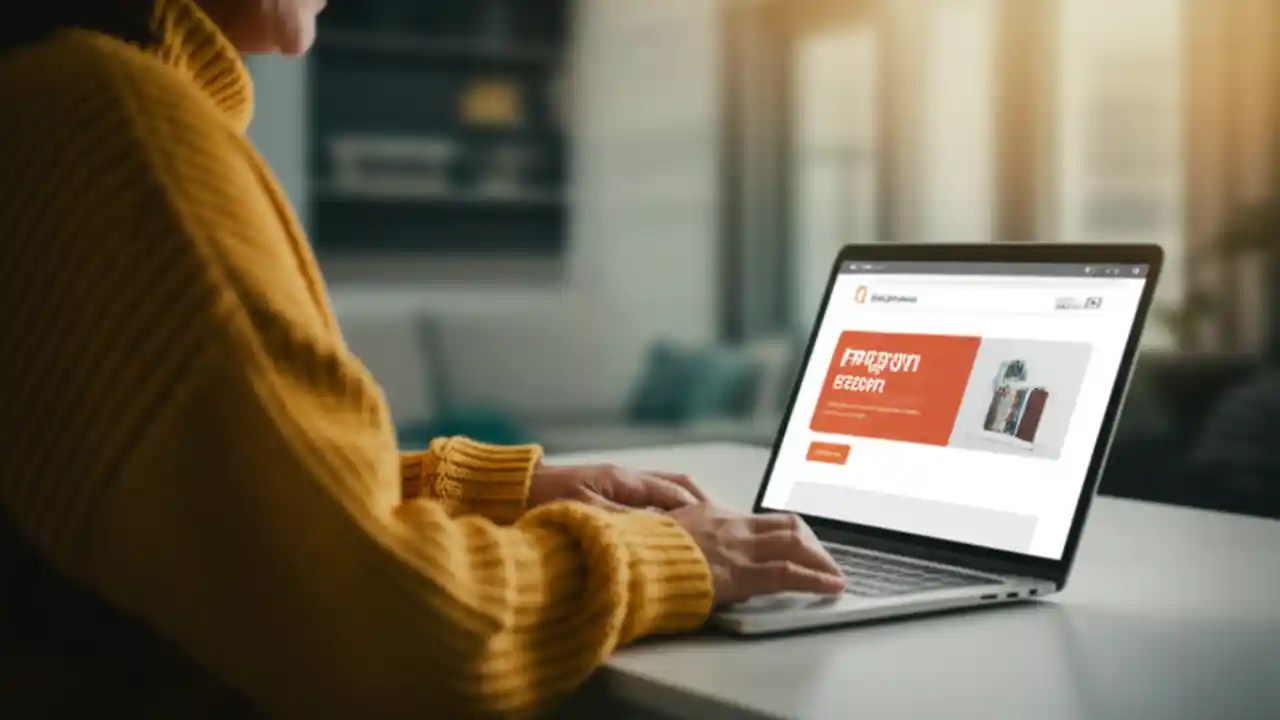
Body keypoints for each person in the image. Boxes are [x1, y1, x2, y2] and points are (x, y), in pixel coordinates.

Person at [0, 1, 845, 715]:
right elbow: (396, 630)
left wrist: (490, 494)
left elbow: (217, 505)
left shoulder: (58, 97)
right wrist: (675, 557)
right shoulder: (116, 126)